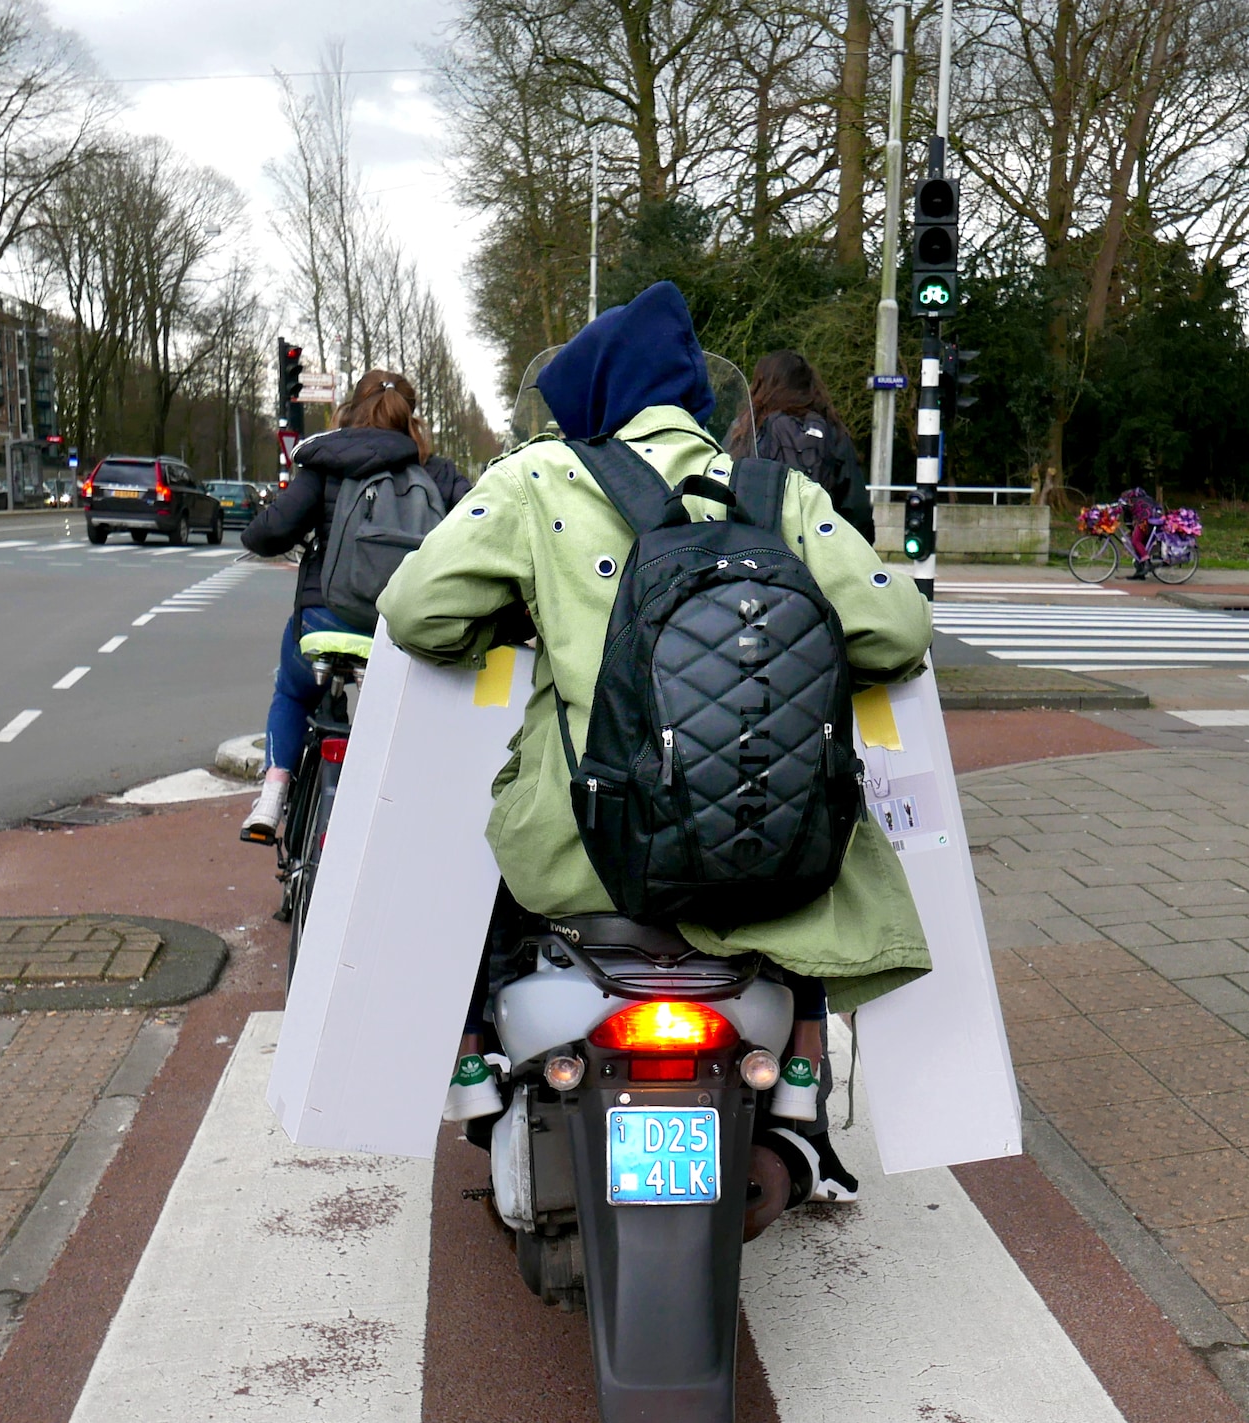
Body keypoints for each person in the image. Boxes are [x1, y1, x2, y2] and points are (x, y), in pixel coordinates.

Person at [378, 282, 934, 1198]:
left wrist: (515, 623)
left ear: (593, 401)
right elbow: (898, 633)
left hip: (584, 855)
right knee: (805, 900)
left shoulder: (537, 479)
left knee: (482, 860)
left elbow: (415, 612)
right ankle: (799, 1087)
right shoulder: (777, 493)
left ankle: (473, 1063)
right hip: (767, 853)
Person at [237, 369, 471, 843]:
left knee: (291, 689)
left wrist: (256, 532)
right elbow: (475, 533)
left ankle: (273, 793)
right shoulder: (438, 473)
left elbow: (271, 531)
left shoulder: (326, 462)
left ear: (351, 410)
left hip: (325, 619)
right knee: (404, 720)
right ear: (411, 417)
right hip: (400, 636)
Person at [727, 349, 875, 543]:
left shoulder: (744, 431)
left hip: (754, 552)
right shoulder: (832, 433)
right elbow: (856, 508)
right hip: (818, 552)